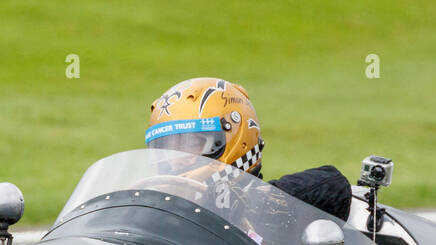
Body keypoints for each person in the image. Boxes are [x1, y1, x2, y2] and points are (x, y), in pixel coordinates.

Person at [145, 77, 353, 219]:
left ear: (236, 139)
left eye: (191, 144)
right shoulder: (161, 211)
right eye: (166, 148)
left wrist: (255, 202)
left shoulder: (262, 206)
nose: (175, 159)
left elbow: (334, 185)